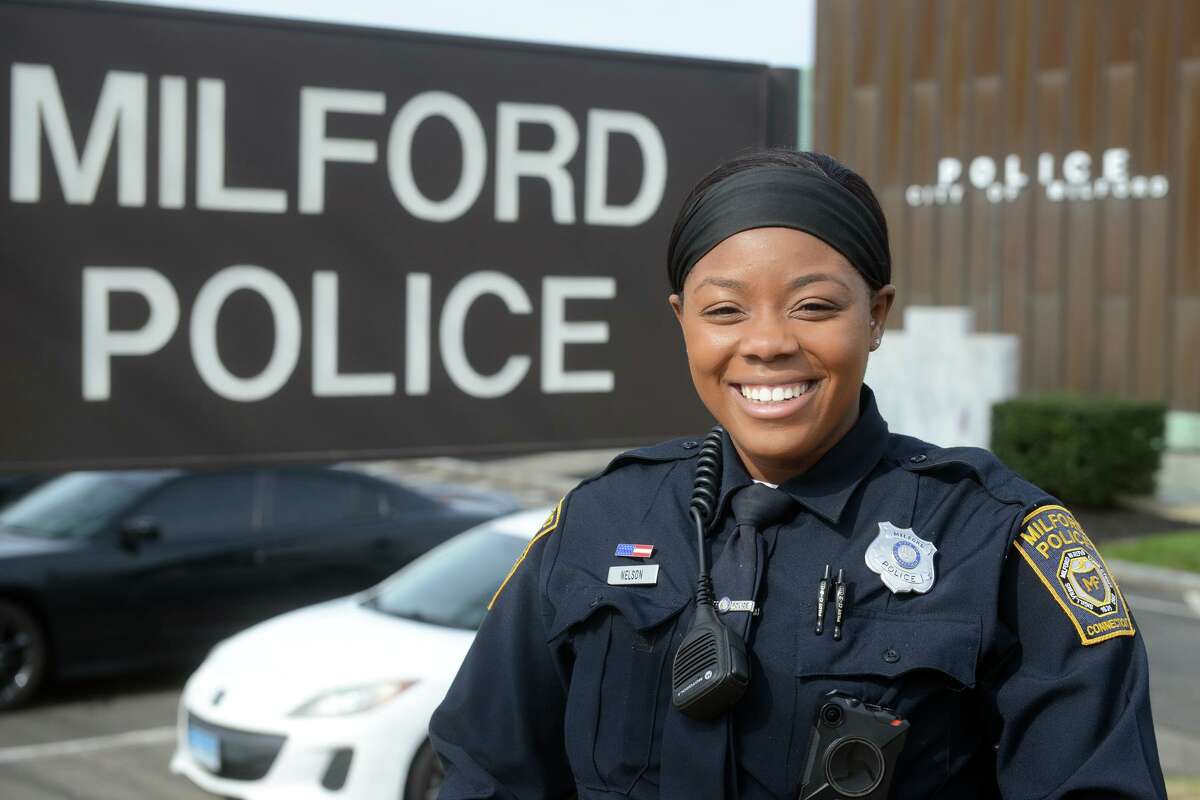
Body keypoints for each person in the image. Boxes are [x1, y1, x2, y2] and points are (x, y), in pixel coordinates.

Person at [429, 149, 1167, 799]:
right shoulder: (598, 522)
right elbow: (484, 769)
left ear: (876, 316)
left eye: (814, 306)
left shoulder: (997, 540)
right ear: (683, 320)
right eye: (725, 310)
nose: (768, 343)